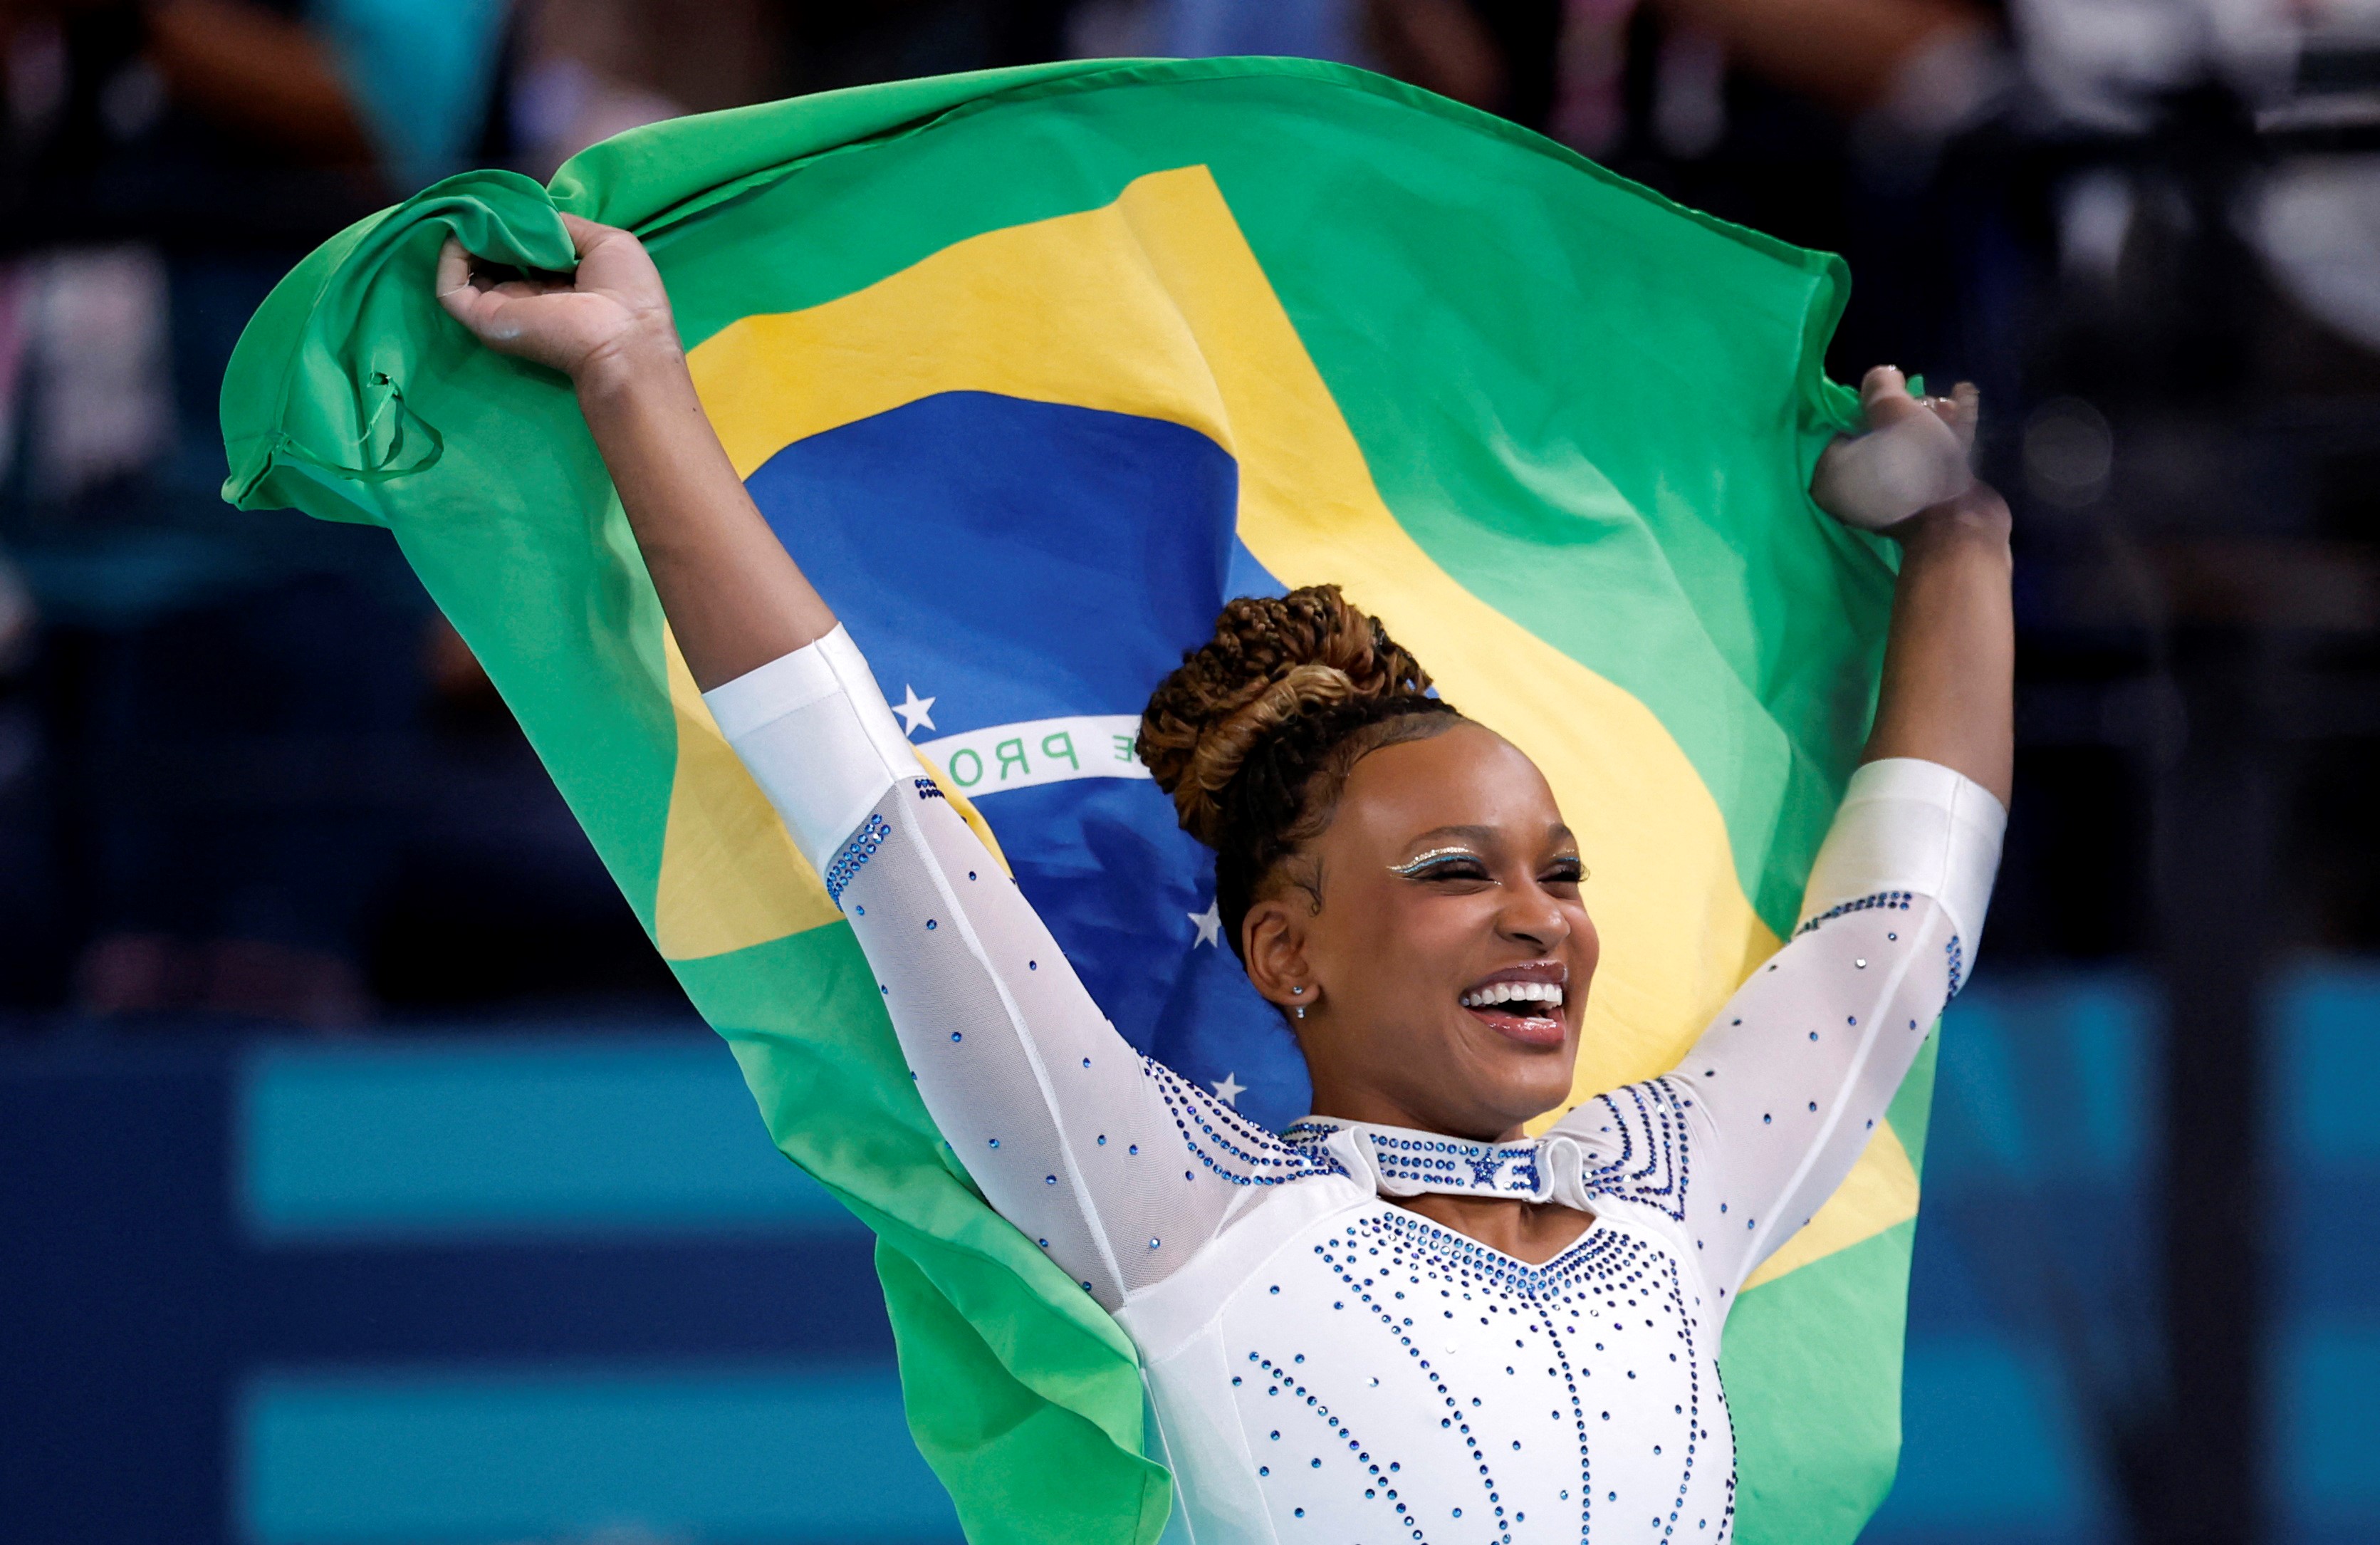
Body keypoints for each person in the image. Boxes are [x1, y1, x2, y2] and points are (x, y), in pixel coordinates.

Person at [437, 214, 2012, 1541]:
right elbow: (873, 808)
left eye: (1559, 869)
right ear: (1284, 948)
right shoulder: (1180, 1202)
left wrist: (1964, 537)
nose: (1541, 914)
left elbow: (1901, 922)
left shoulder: (1678, 1190)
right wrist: (636, 375)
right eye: (1457, 872)